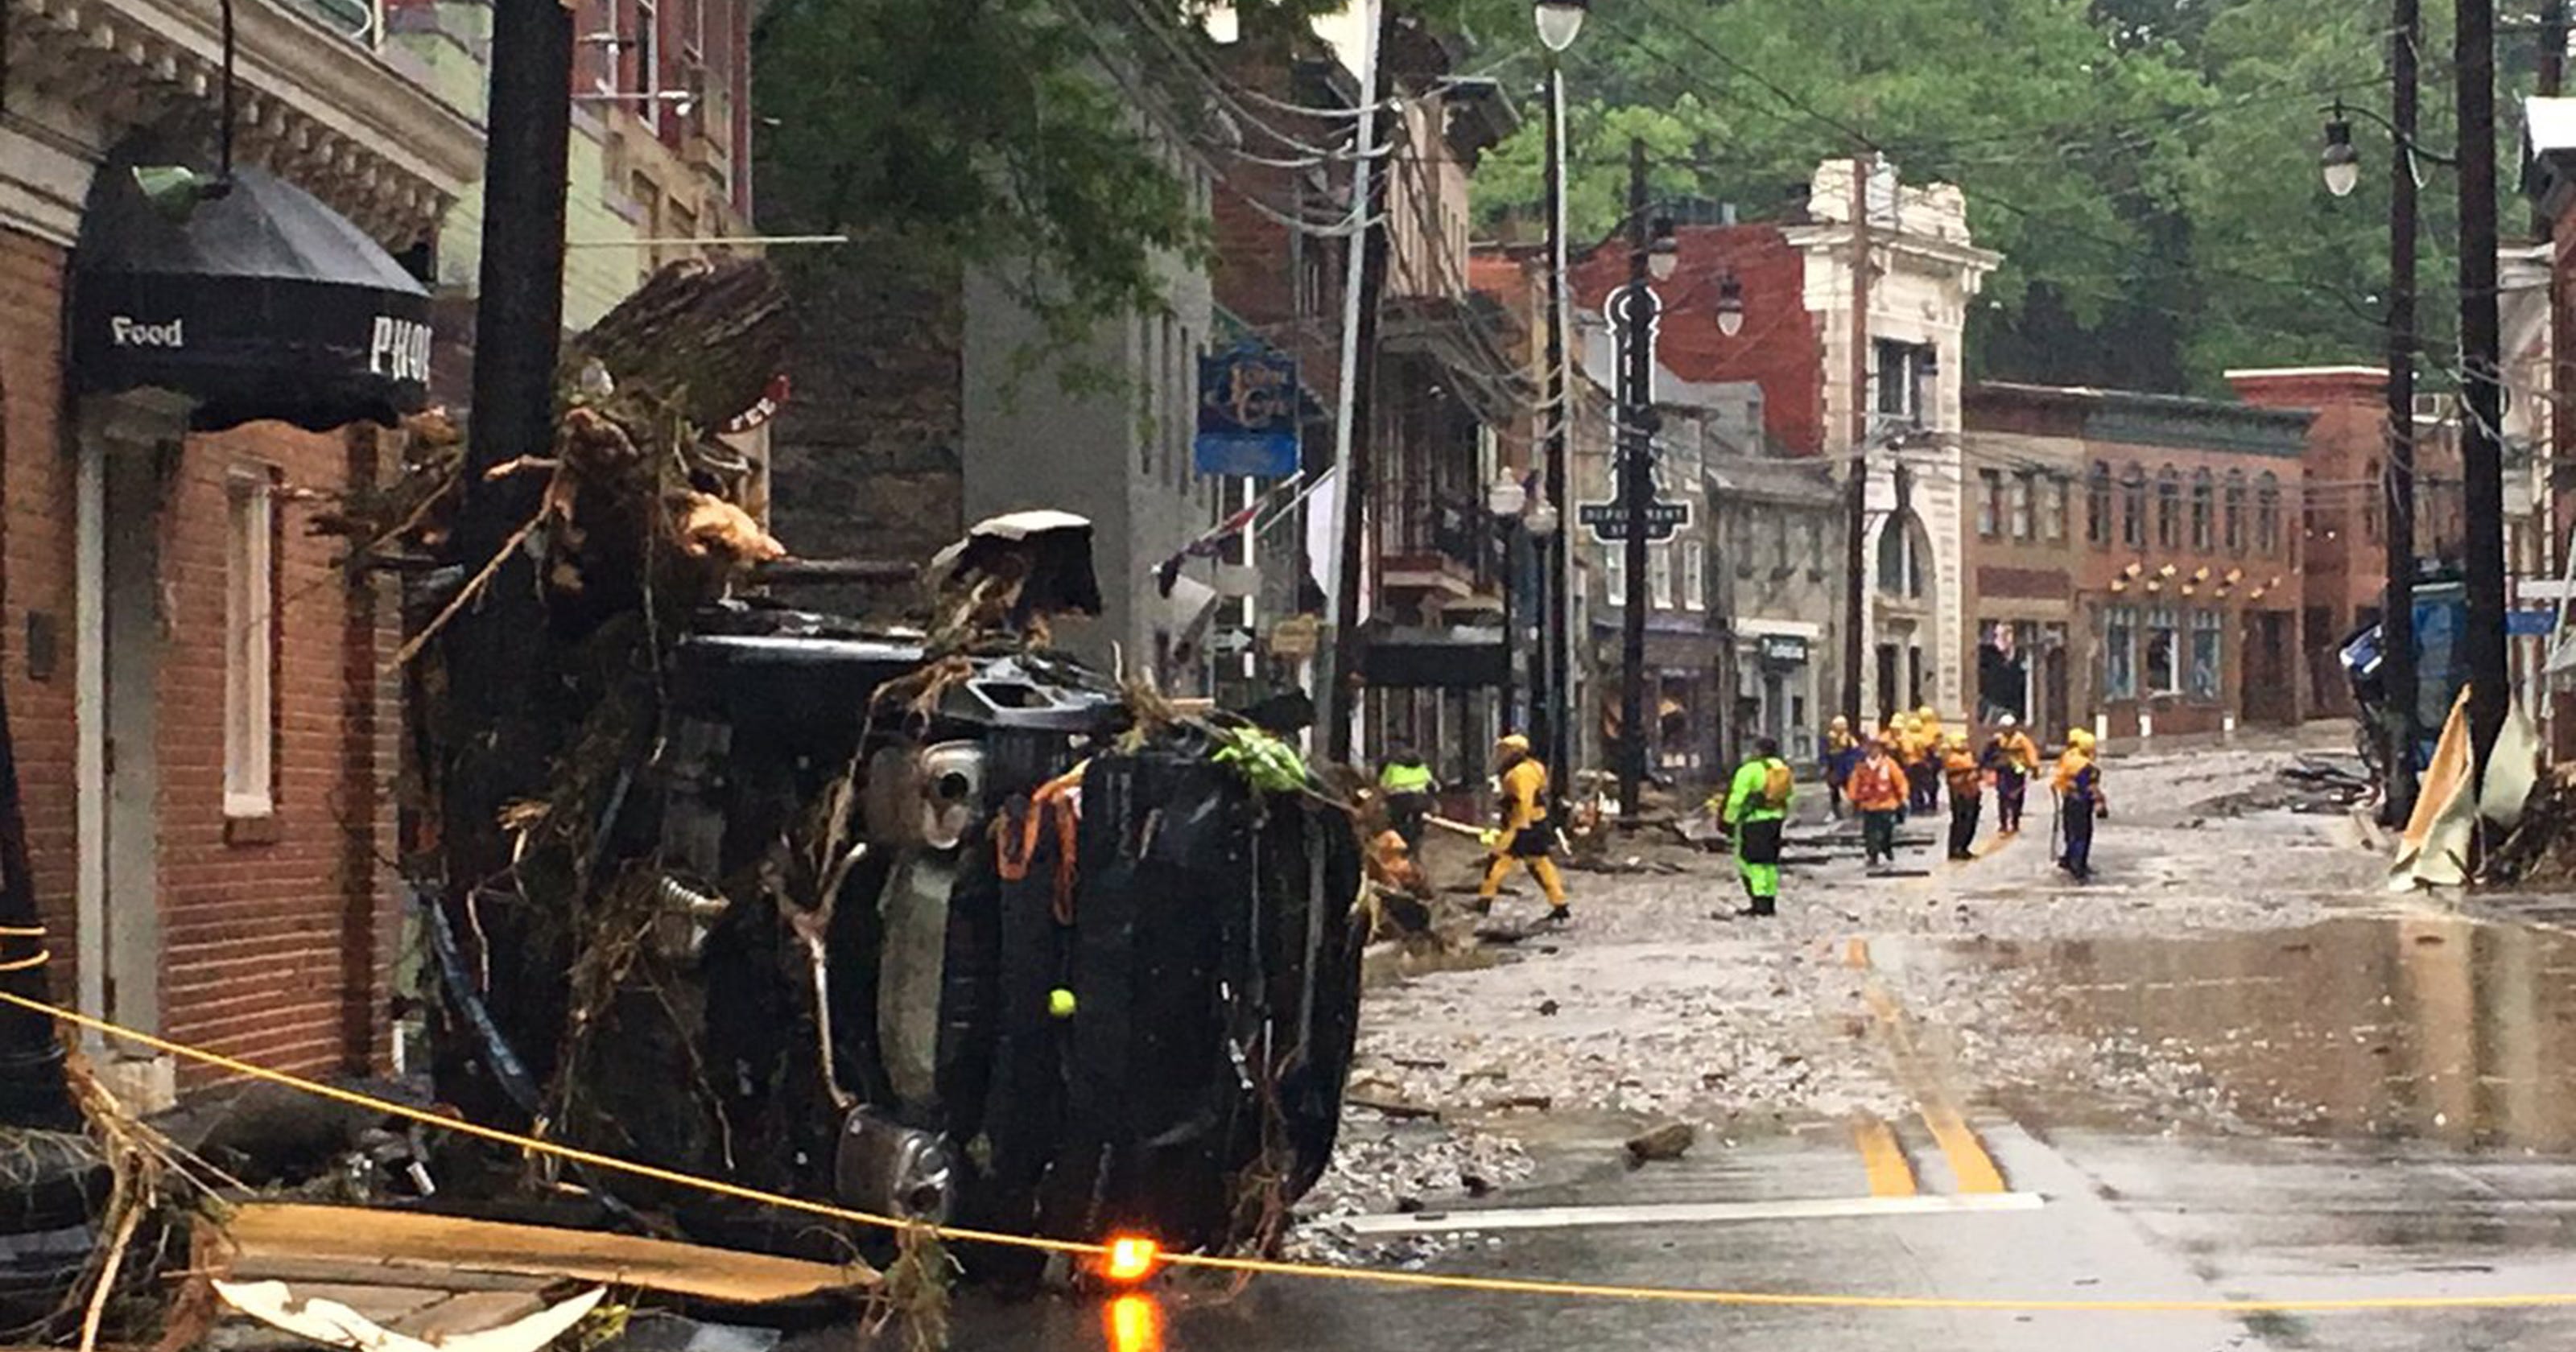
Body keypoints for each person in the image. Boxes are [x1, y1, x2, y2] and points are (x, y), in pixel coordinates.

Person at [1479, 733, 1569, 921]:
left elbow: (1524, 798)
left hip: (1523, 824)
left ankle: (1484, 901)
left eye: (1504, 750)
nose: (1501, 754)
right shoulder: (1532, 767)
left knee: (1498, 860)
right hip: (1535, 822)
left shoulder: (1521, 772)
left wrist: (1520, 825)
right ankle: (1560, 904)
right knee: (1540, 863)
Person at [1721, 736, 1794, 917]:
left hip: (1753, 820)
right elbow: (1789, 795)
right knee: (1770, 861)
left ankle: (1759, 901)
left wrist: (1729, 819)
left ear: (1758, 751)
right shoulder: (1783, 769)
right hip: (1775, 819)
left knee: (1752, 861)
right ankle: (1770, 900)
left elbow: (1737, 798)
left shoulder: (1750, 770)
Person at [2054, 727, 2108, 881]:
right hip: (2081, 803)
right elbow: (2091, 788)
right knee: (2082, 836)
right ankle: (2079, 869)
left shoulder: (2068, 758)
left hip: (2069, 800)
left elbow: (2060, 777)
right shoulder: (2088, 767)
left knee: (2071, 833)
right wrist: (2100, 804)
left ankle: (2071, 862)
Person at [1846, 738, 1909, 869]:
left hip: (1887, 804)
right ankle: (1872, 853)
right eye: (1870, 747)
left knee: (1886, 829)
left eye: (1875, 747)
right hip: (1868, 804)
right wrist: (1853, 798)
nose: (1872, 750)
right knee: (1870, 831)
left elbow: (1900, 781)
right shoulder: (1861, 766)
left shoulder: (1889, 764)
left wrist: (1902, 797)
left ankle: (1886, 848)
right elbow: (1854, 782)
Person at [1984, 715, 2041, 835]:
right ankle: (2003, 823)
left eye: (2009, 727)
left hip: (2017, 767)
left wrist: (2034, 767)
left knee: (2017, 793)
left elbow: (2031, 752)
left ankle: (2015, 821)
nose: (2007, 730)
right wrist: (1988, 767)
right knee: (2002, 795)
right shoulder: (1997, 739)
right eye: (2004, 727)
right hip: (2002, 768)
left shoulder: (2021, 739)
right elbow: (1989, 754)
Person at [1377, 746, 1438, 856]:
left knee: (1395, 820)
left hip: (1398, 800)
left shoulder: (1392, 767)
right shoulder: (1422, 767)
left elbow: (1383, 786)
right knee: (1419, 819)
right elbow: (1432, 784)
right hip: (1420, 799)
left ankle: (1398, 838)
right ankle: (1417, 834)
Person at [1941, 734, 1984, 861]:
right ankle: (1956, 848)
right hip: (1961, 795)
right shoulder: (1953, 759)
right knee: (1961, 822)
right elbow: (1957, 776)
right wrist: (1971, 771)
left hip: (1972, 792)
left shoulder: (1968, 755)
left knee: (1971, 822)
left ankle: (1964, 847)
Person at [1823, 715, 1860, 821]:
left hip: (1846, 768)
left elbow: (1856, 752)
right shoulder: (1829, 738)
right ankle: (1835, 812)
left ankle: (1856, 810)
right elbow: (1824, 752)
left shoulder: (1848, 738)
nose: (1842, 727)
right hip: (1834, 767)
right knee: (1834, 791)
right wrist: (1825, 765)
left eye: (1843, 725)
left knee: (1851, 789)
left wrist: (1854, 766)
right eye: (1839, 725)